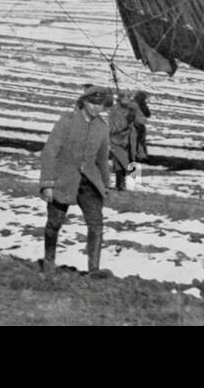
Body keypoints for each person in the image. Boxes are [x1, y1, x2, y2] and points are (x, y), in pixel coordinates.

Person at [39, 85, 113, 278]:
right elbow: (50, 152)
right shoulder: (67, 121)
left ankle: (94, 270)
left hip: (89, 183)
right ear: (83, 101)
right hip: (63, 180)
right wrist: (47, 183)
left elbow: (102, 159)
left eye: (101, 105)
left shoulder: (102, 128)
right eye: (93, 103)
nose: (97, 108)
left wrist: (105, 184)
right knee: (54, 223)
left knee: (96, 224)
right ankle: (48, 265)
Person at [108, 92, 143, 191]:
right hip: (116, 141)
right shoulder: (114, 111)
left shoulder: (130, 110)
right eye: (125, 99)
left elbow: (139, 121)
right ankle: (134, 183)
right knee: (126, 163)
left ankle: (121, 185)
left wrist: (132, 117)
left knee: (126, 162)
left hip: (128, 140)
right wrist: (126, 122)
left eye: (129, 99)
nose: (127, 102)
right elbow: (114, 128)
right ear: (120, 99)